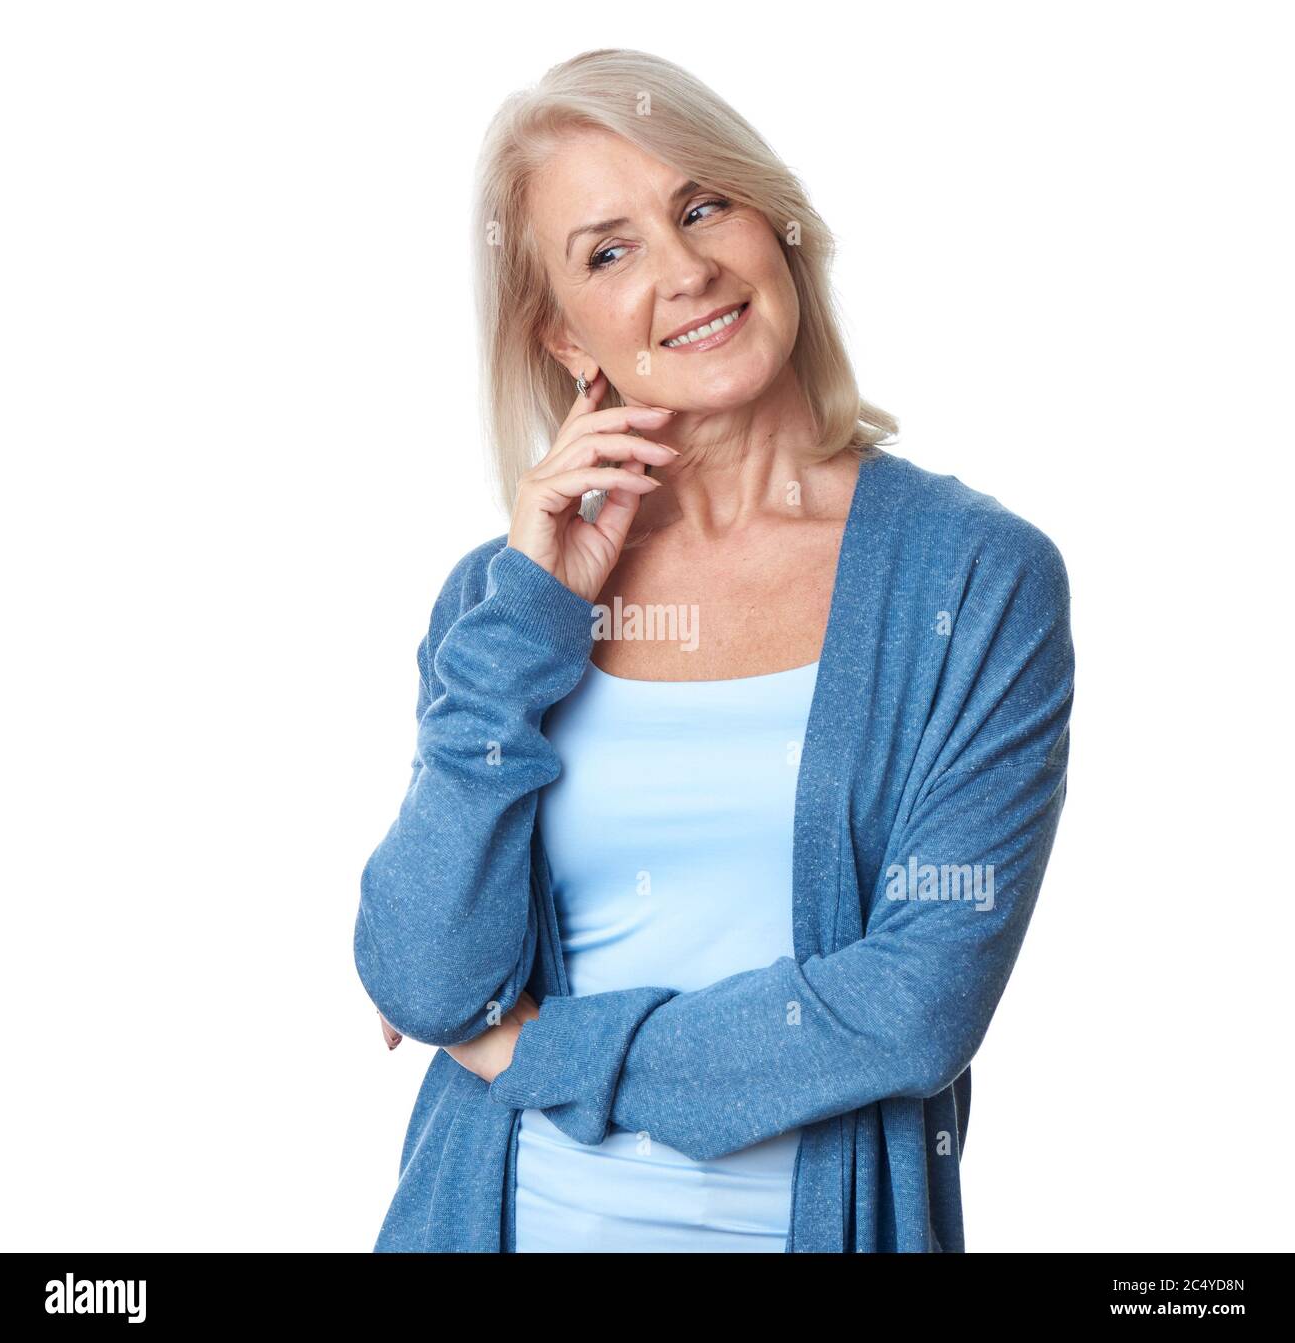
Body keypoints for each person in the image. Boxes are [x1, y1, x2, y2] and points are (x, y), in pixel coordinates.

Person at [355, 47, 1074, 1253]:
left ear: (774, 225)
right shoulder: (501, 597)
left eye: (702, 206)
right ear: (562, 333)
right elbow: (424, 978)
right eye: (609, 251)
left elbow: (913, 1006)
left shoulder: (971, 577)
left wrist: (546, 1047)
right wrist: (533, 613)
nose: (684, 270)